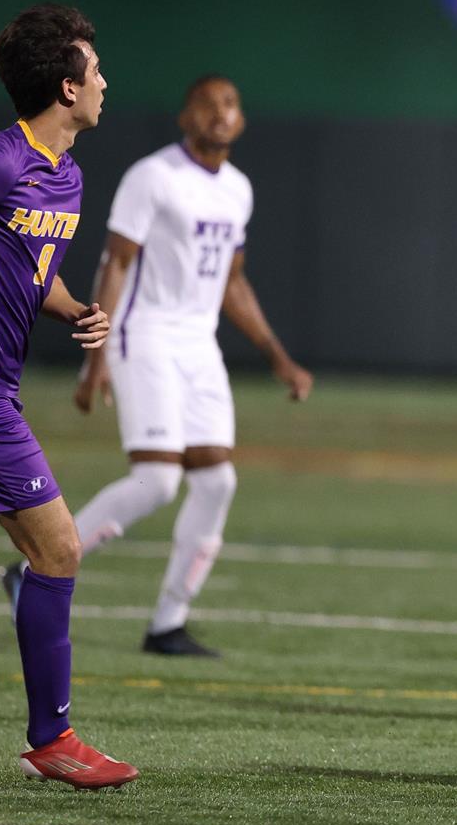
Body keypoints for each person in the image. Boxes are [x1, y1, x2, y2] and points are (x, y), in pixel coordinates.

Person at [61, 76, 312, 656]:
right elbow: (115, 264)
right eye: (207, 104)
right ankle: (40, 570)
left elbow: (233, 282)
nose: (219, 113)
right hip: (144, 334)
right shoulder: (153, 176)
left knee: (217, 482)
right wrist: (95, 359)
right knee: (158, 482)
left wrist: (278, 358)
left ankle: (167, 624)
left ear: (241, 120)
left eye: (230, 104)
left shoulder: (238, 190)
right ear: (185, 117)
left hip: (199, 346)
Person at [0, 4, 134, 787]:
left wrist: (71, 308)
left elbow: (32, 267)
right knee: (58, 547)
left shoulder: (67, 175)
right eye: (95, 70)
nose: (105, 82)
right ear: (67, 87)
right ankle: (51, 738)